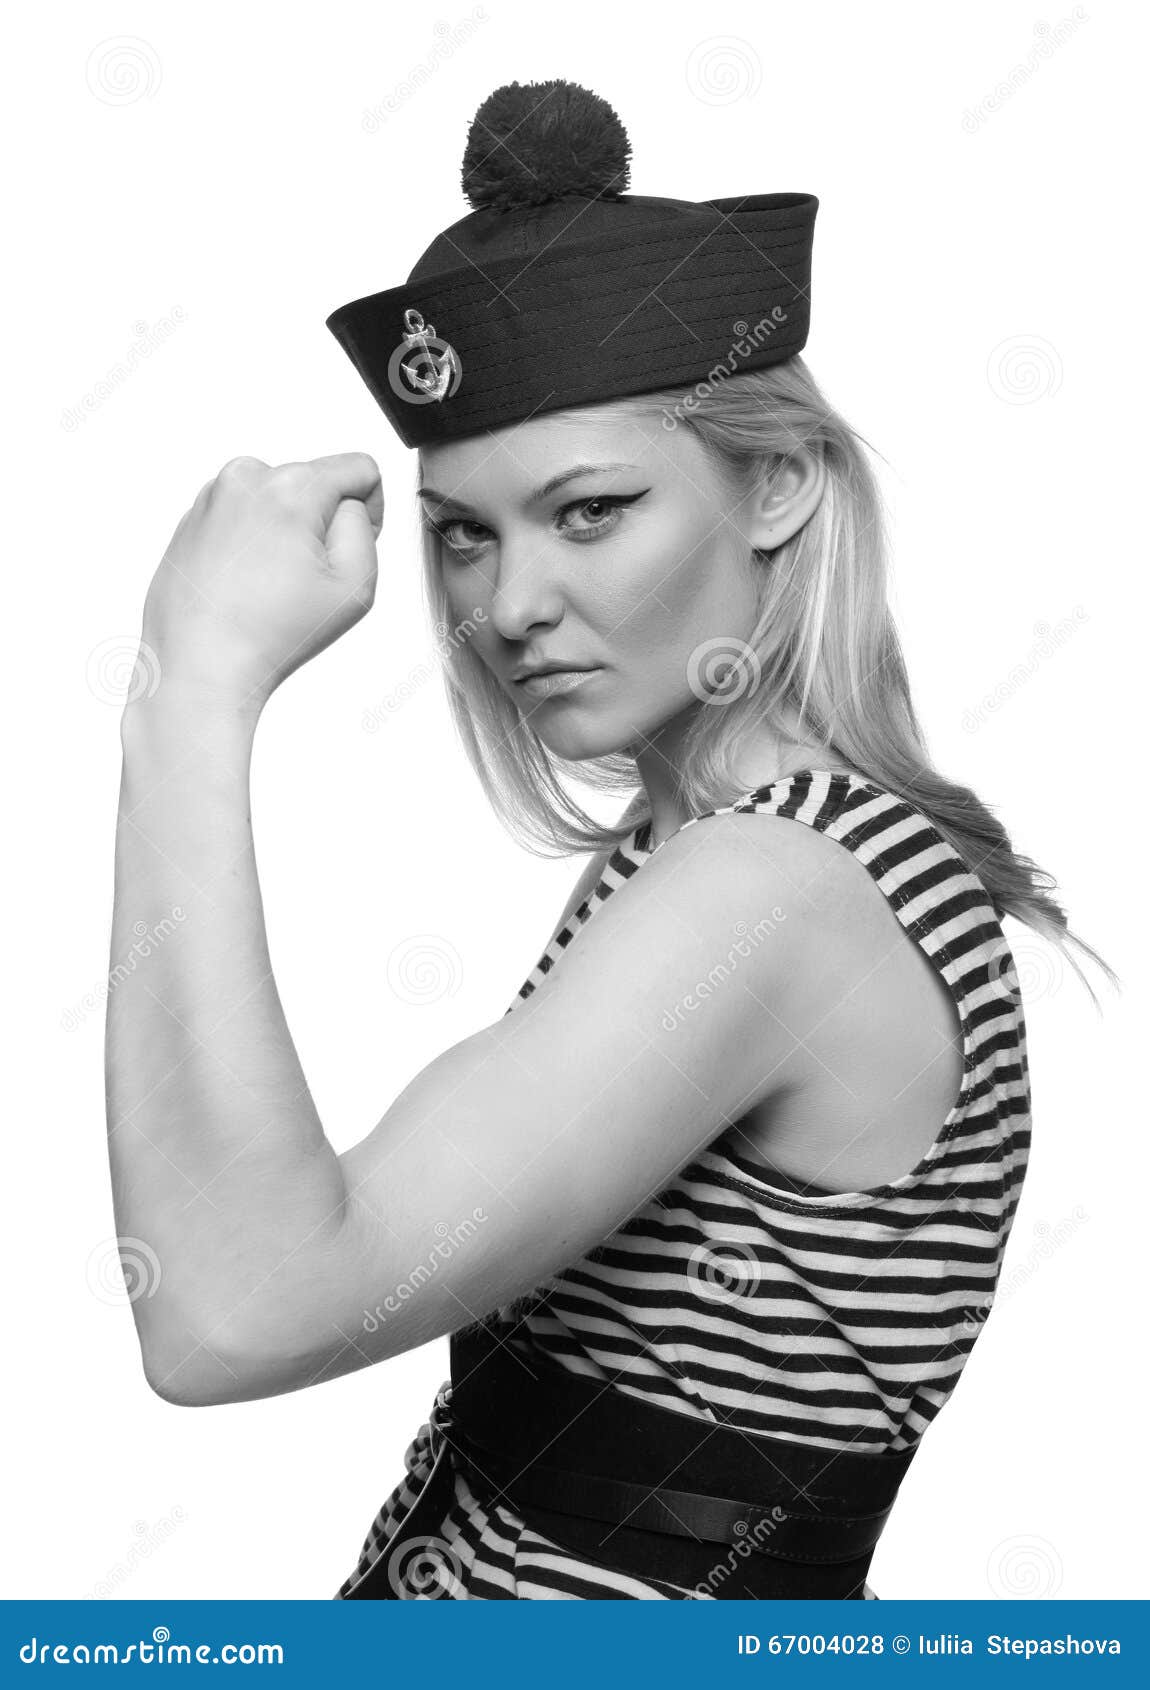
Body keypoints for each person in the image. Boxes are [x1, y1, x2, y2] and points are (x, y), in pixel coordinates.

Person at [105, 79, 1117, 1602]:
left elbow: (233, 1310)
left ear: (777, 485)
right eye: (464, 531)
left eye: (589, 511)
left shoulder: (780, 886)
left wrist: (190, 691)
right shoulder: (708, 848)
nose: (509, 604)